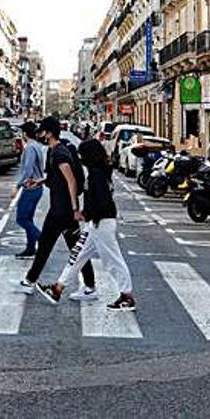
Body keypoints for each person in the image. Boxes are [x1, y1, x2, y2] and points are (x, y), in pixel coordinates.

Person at [37, 139, 136, 311]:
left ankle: (126, 296)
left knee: (112, 260)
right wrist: (86, 213)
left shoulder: (97, 174)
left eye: (82, 154)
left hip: (101, 223)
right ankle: (57, 288)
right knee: (78, 255)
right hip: (95, 223)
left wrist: (87, 214)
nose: (80, 158)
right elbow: (97, 200)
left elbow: (103, 202)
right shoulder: (98, 171)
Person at [14, 116, 97, 300]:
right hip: (60, 207)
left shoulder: (59, 153)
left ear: (49, 133)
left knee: (48, 245)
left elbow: (71, 181)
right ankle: (90, 286)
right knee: (72, 248)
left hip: (62, 209)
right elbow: (56, 177)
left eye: (42, 131)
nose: (40, 135)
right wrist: (39, 181)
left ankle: (30, 281)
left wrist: (75, 208)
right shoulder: (54, 151)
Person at [13, 121, 46, 259]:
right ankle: (31, 248)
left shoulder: (30, 148)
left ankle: (43, 240)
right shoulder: (37, 146)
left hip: (31, 188)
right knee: (28, 219)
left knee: (21, 218)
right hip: (37, 188)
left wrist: (18, 185)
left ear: (25, 134)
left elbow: (28, 169)